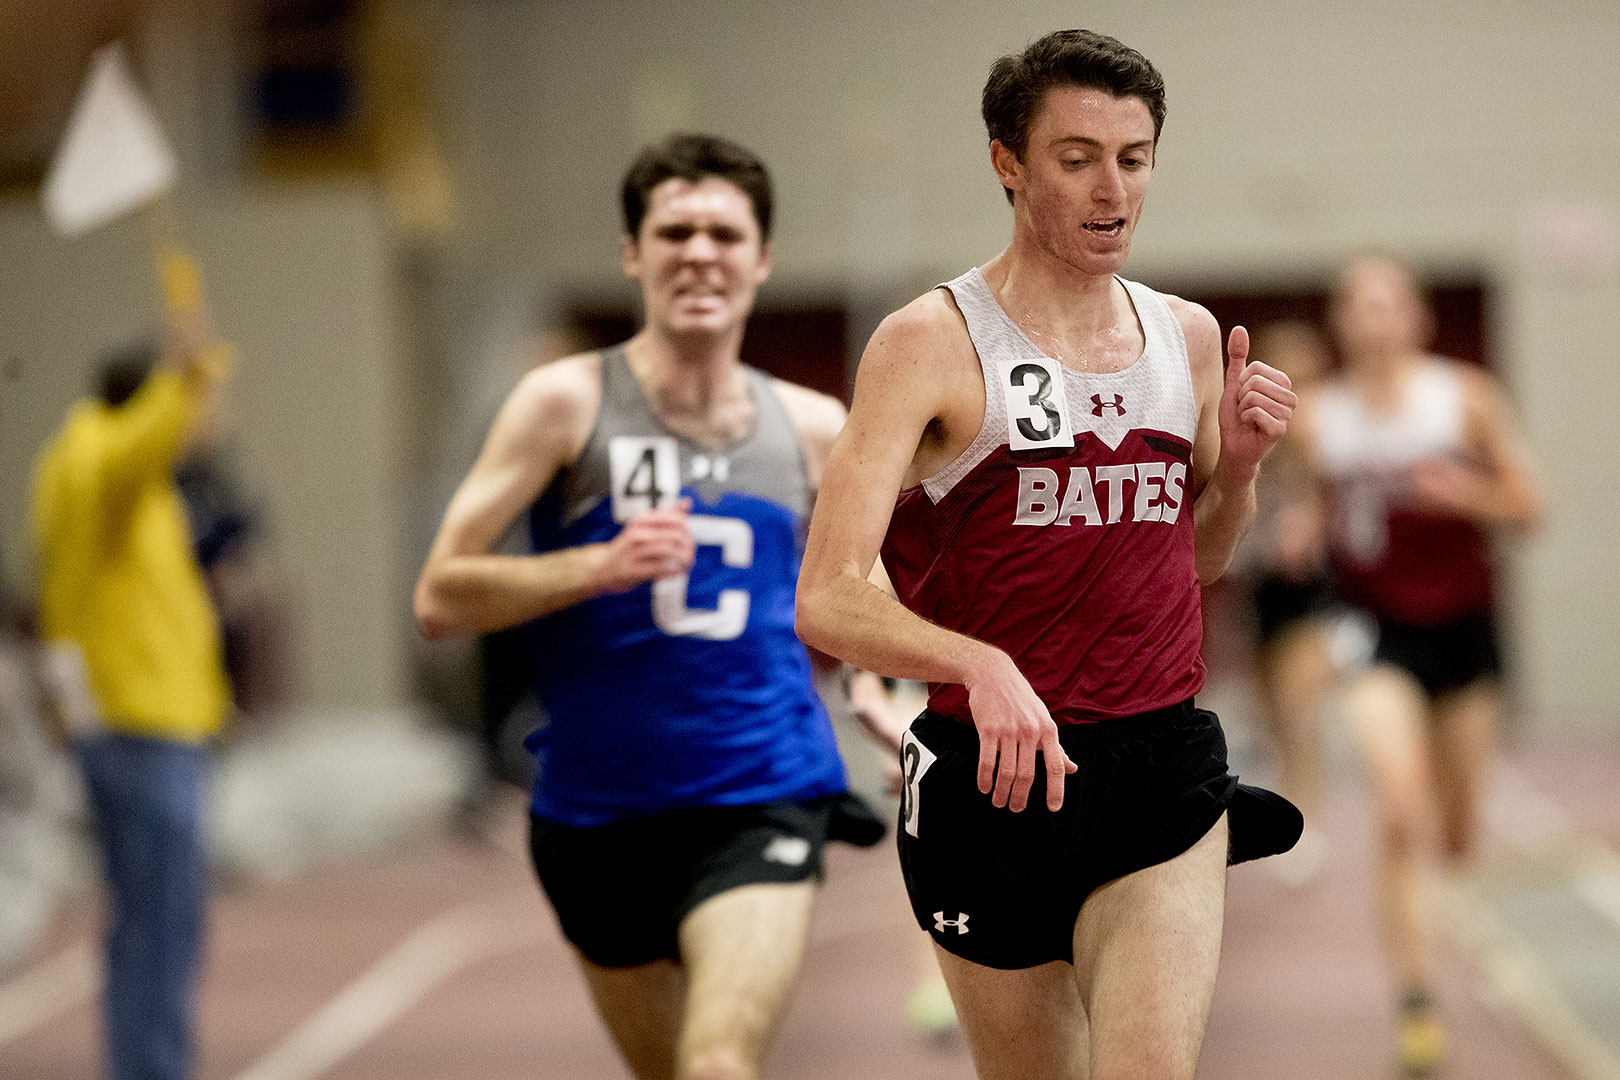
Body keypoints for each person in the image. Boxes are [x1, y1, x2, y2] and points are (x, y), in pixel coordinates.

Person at [795, 29, 1304, 1080]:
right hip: (992, 786)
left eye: (1135, 156)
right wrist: (978, 664)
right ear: (1009, 162)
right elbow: (830, 597)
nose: (1112, 188)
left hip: (1159, 768)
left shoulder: (1188, 338)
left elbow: (1196, 561)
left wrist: (1242, 474)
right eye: (1077, 158)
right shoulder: (926, 343)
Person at [414, 133, 882, 1080]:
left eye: (723, 232)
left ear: (762, 260)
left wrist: (880, 687)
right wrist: (594, 568)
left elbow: (866, 591)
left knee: (717, 1062)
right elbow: (440, 595)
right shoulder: (564, 403)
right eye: (674, 231)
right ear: (633, 255)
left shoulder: (813, 427)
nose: (699, 252)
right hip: (599, 812)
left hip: (762, 790)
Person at [1293, 254, 1543, 1078]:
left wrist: (1466, 494)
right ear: (1341, 320)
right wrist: (1297, 526)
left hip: (1464, 630)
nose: (1374, 317)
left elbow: (1532, 507)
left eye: (1389, 302)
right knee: (1402, 803)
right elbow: (1298, 505)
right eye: (1358, 303)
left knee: (1460, 836)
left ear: (1416, 318)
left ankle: (1453, 931)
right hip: (1373, 631)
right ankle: (1415, 998)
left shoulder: (1462, 397)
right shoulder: (1319, 417)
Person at [29, 316, 232, 1080]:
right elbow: (138, 447)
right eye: (203, 401)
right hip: (137, 727)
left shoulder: (106, 473)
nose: (214, 415)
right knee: (159, 922)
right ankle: (151, 1068)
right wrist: (182, 381)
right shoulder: (98, 467)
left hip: (142, 722)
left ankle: (148, 1063)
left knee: (152, 919)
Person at [1232, 320, 1343, 882]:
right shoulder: (1259, 430)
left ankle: (1305, 819)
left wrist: (1313, 524)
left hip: (1313, 594)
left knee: (1300, 712)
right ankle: (1288, 796)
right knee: (1272, 712)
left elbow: (1329, 501)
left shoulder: (1323, 433)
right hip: (1262, 591)